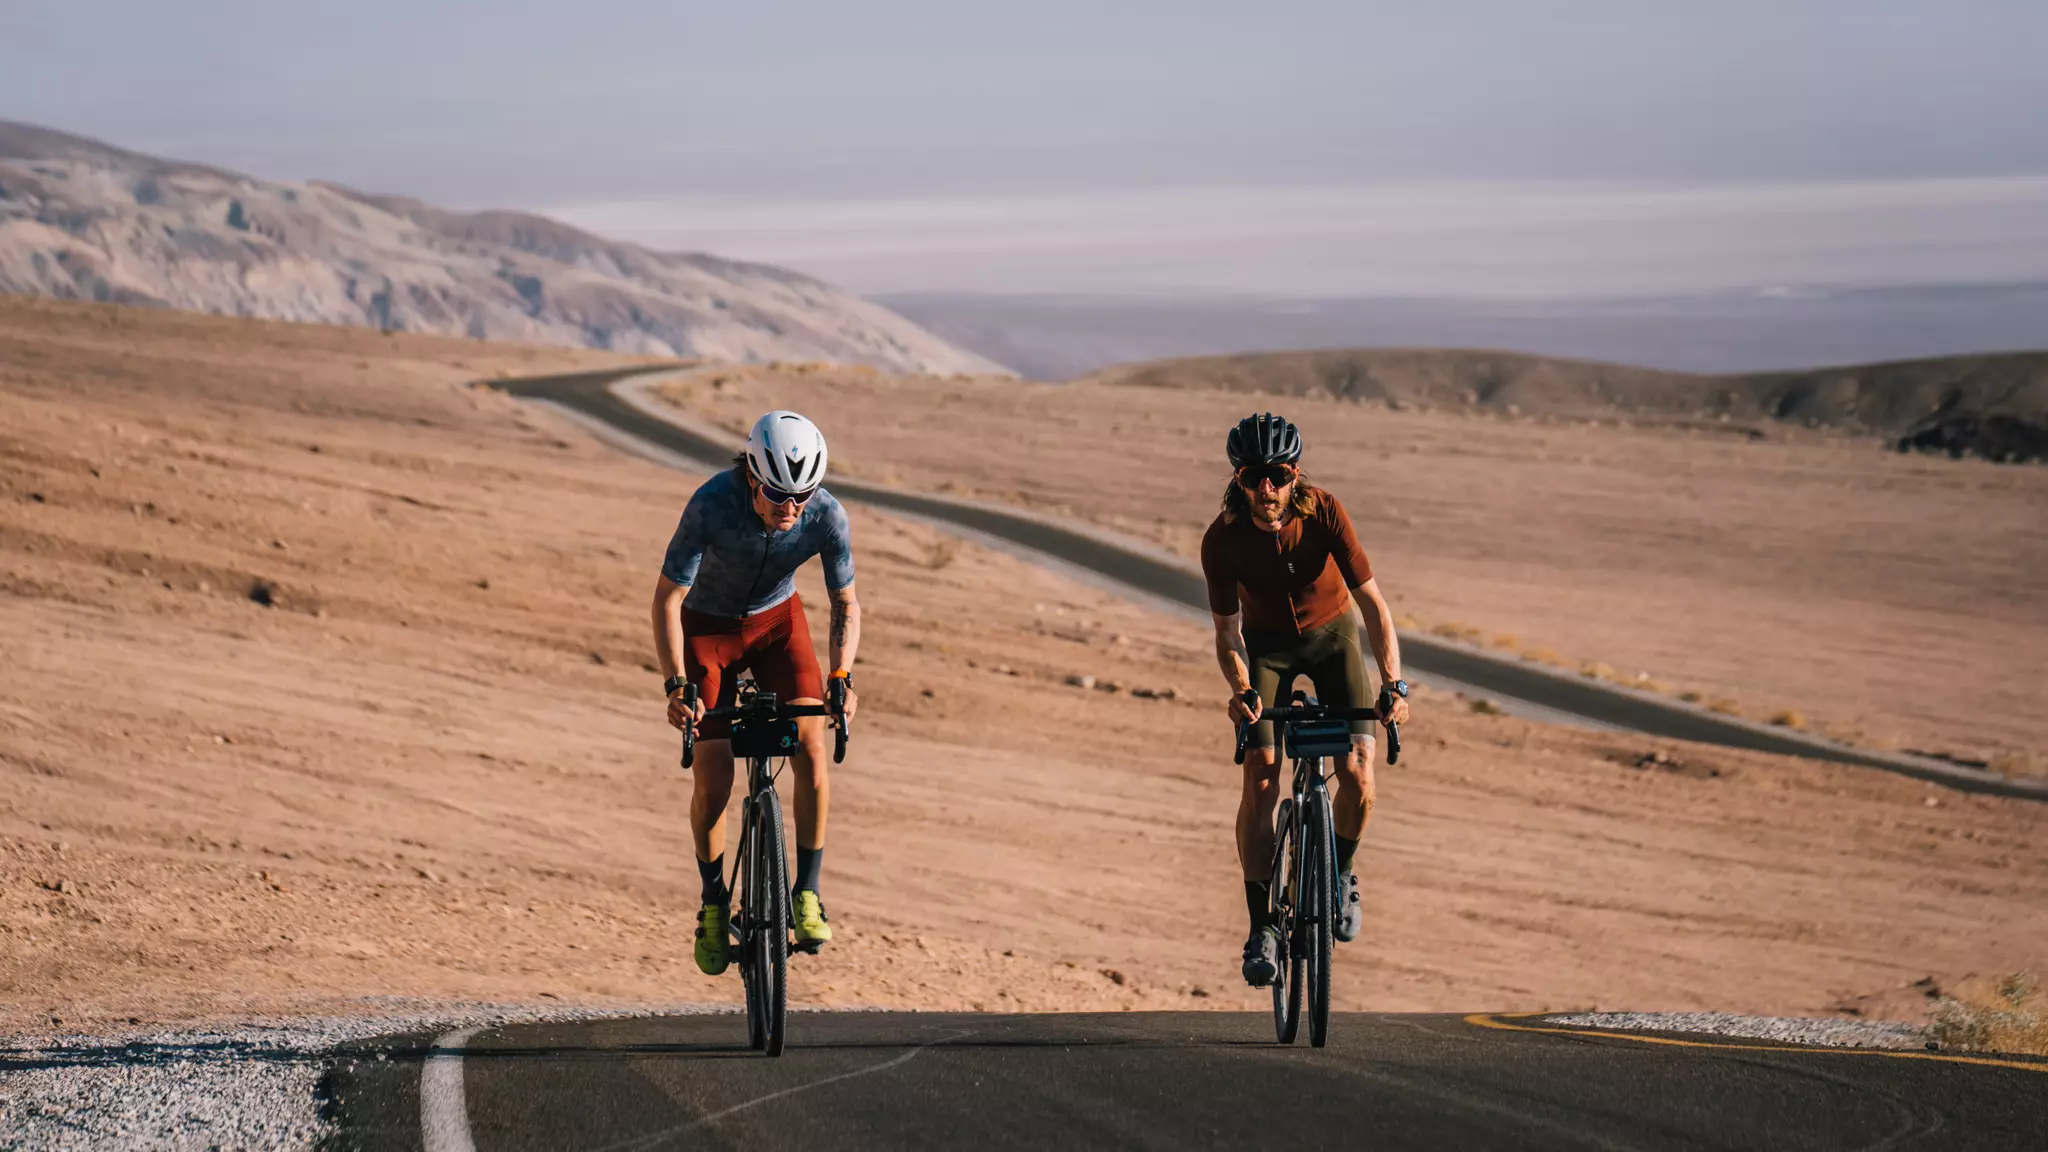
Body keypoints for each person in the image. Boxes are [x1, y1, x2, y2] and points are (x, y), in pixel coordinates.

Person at [1200, 412, 1410, 987]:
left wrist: (1393, 683)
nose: (1266, 487)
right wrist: (1241, 692)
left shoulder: (1325, 513)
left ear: (1295, 475)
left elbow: (1374, 607)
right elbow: (1227, 636)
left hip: (1331, 639)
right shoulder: (1223, 539)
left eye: (1278, 474)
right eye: (1253, 476)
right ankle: (1262, 926)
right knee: (1262, 777)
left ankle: (1339, 873)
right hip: (1266, 651)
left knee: (1360, 776)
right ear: (1238, 479)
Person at [650, 410, 861, 976]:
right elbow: (668, 598)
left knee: (812, 747)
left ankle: (807, 893)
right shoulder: (711, 504)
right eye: (776, 493)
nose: (790, 508)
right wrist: (676, 684)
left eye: (803, 494)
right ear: (751, 474)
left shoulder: (826, 515)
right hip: (708, 629)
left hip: (777, 626)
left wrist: (842, 677)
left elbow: (845, 604)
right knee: (714, 771)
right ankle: (714, 904)